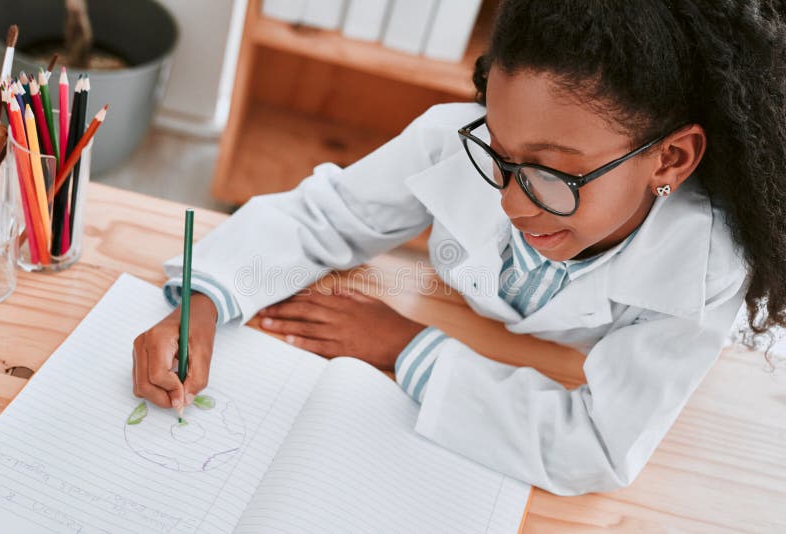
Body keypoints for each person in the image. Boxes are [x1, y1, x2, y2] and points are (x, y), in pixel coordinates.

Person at [131, 0, 786, 495]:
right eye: (499, 154)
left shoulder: (704, 267)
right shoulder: (452, 139)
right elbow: (322, 217)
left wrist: (404, 345)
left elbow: (597, 446)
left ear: (669, 159)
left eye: (552, 174)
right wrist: (206, 299)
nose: (509, 201)